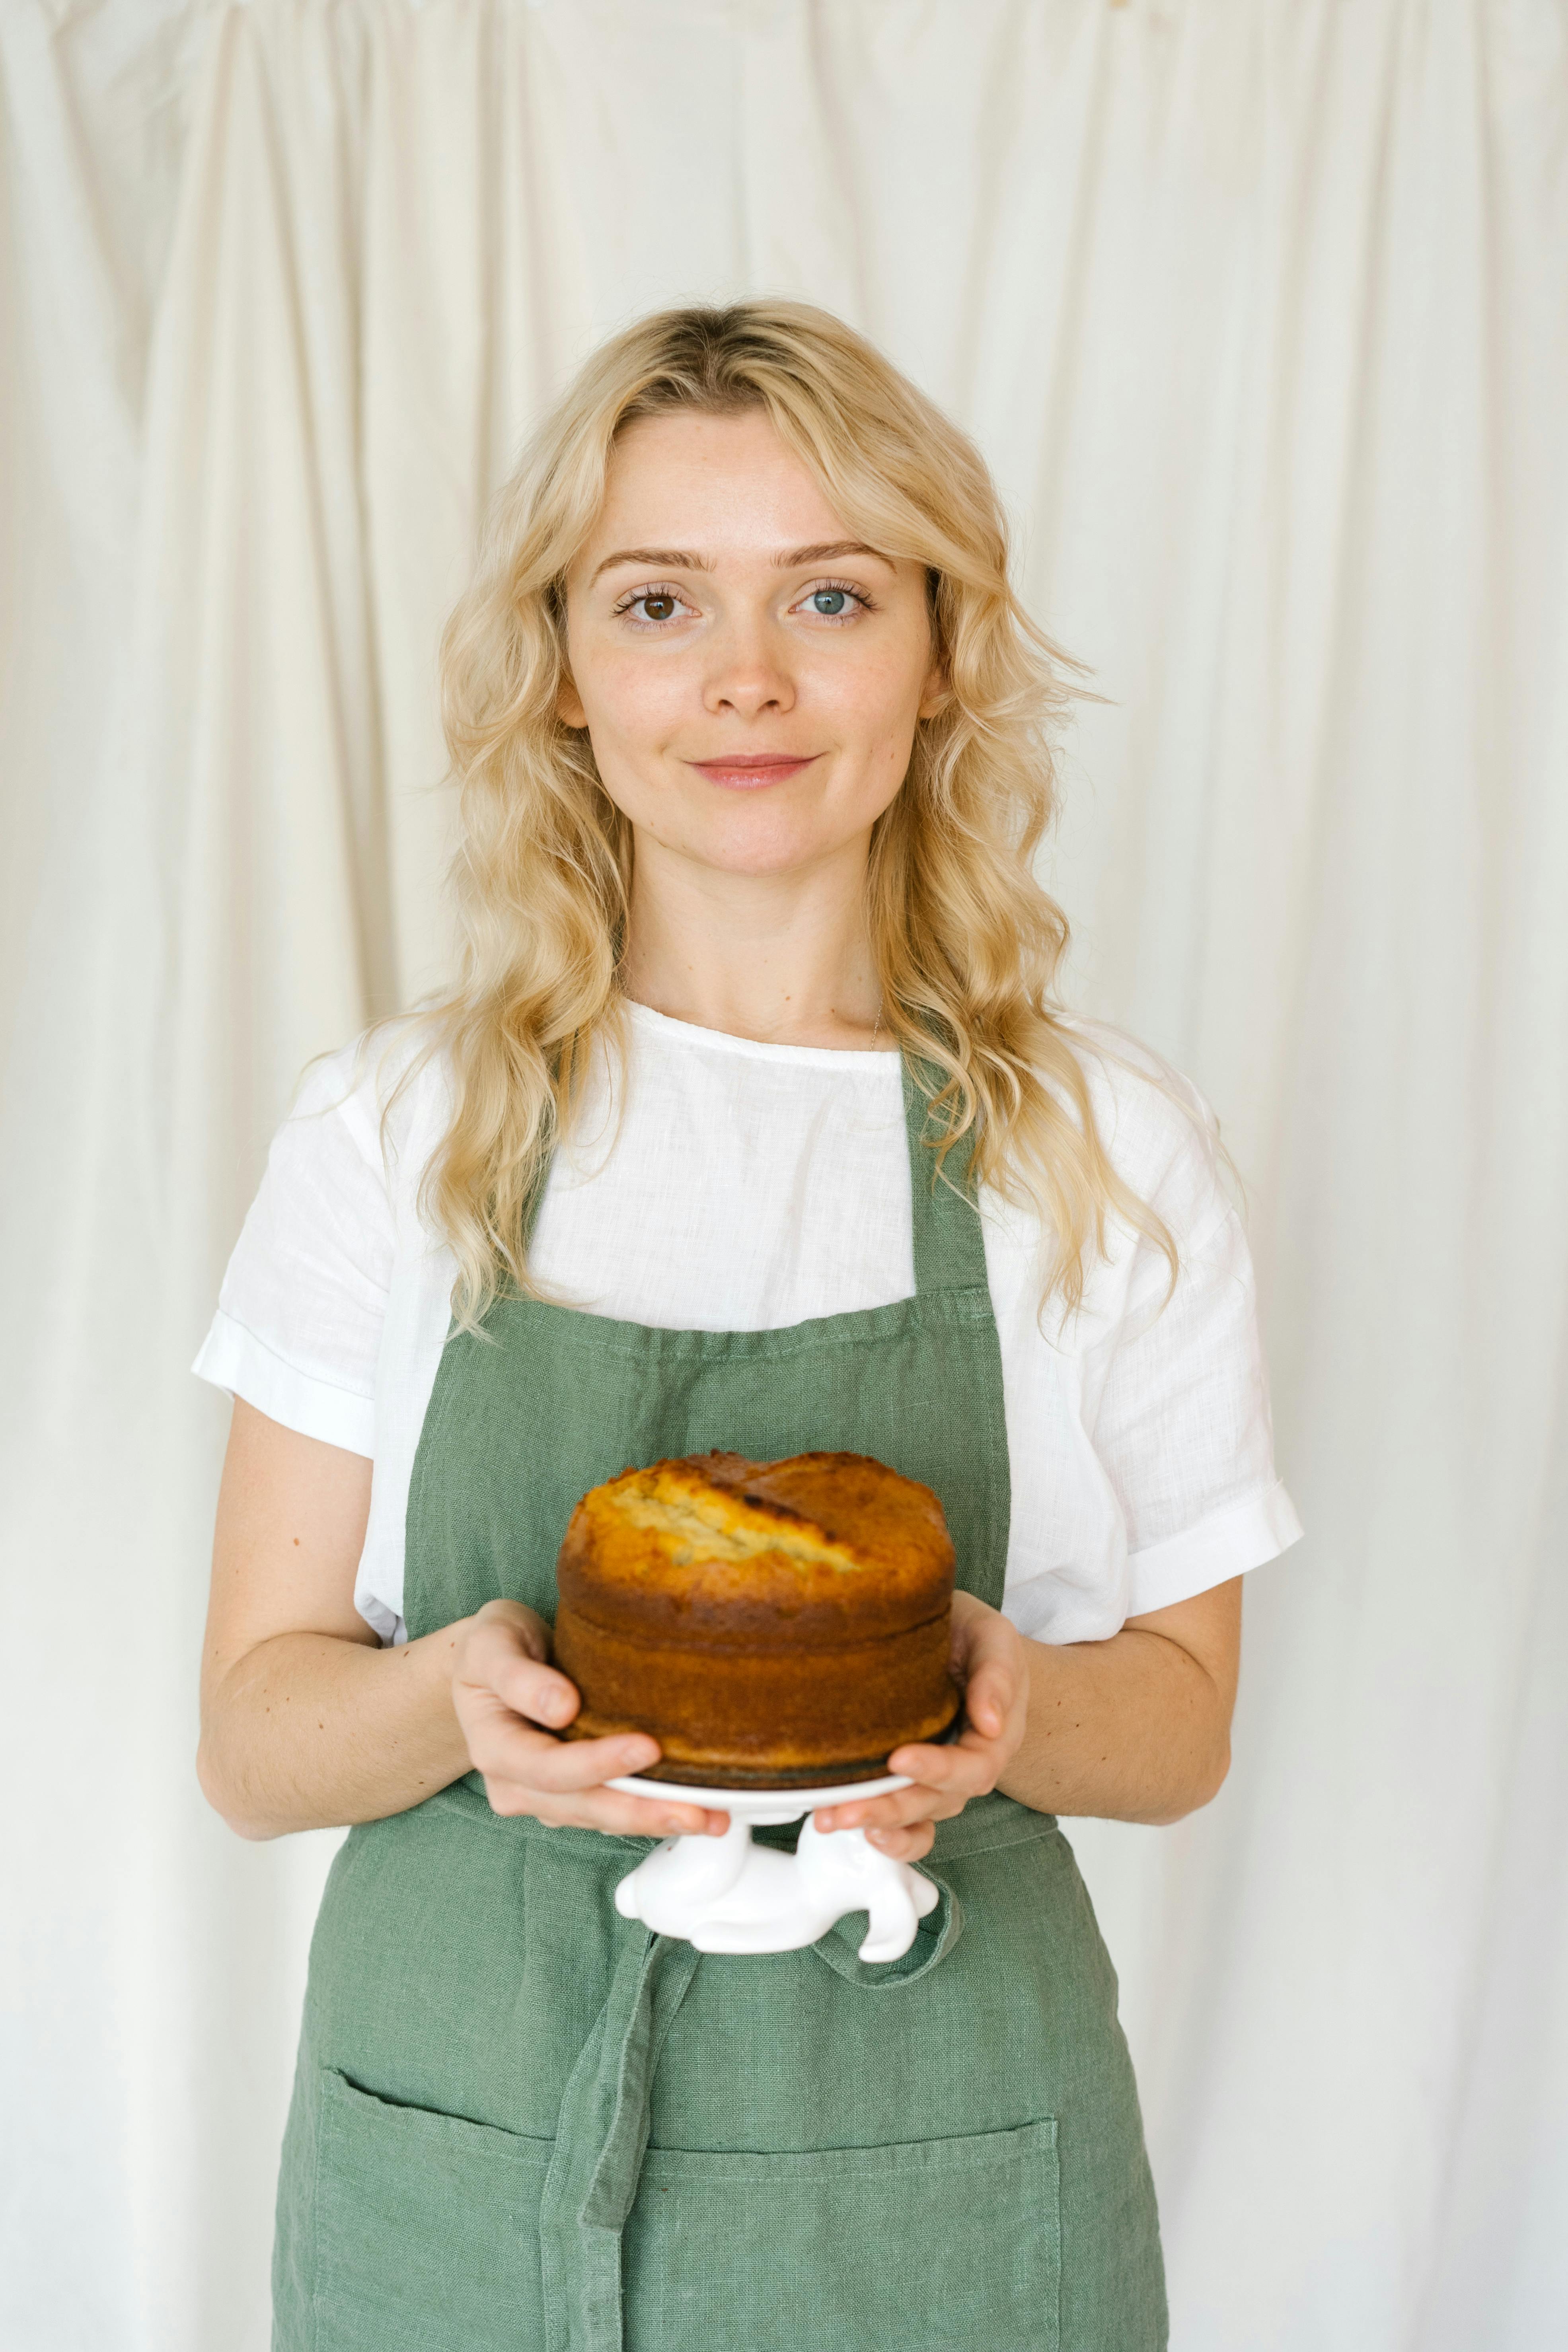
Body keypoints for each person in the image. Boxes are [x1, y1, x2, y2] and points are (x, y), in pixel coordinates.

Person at [195, 300, 1301, 2352]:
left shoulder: (1102, 1150)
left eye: (831, 594)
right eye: (657, 602)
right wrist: (452, 1705)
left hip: (946, 2178)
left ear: (940, 648)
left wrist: (1009, 1710)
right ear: (563, 668)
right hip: (460, 2165)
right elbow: (254, 1743)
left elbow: (1185, 1725)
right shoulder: (398, 1133)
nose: (747, 679)